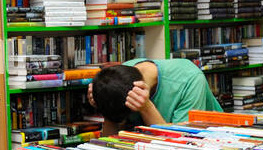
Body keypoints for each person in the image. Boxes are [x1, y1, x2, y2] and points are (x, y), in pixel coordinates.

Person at [87, 58, 221, 136]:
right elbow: (111, 137)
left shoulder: (190, 79)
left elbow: (181, 141)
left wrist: (146, 107)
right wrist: (102, 101)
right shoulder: (117, 78)